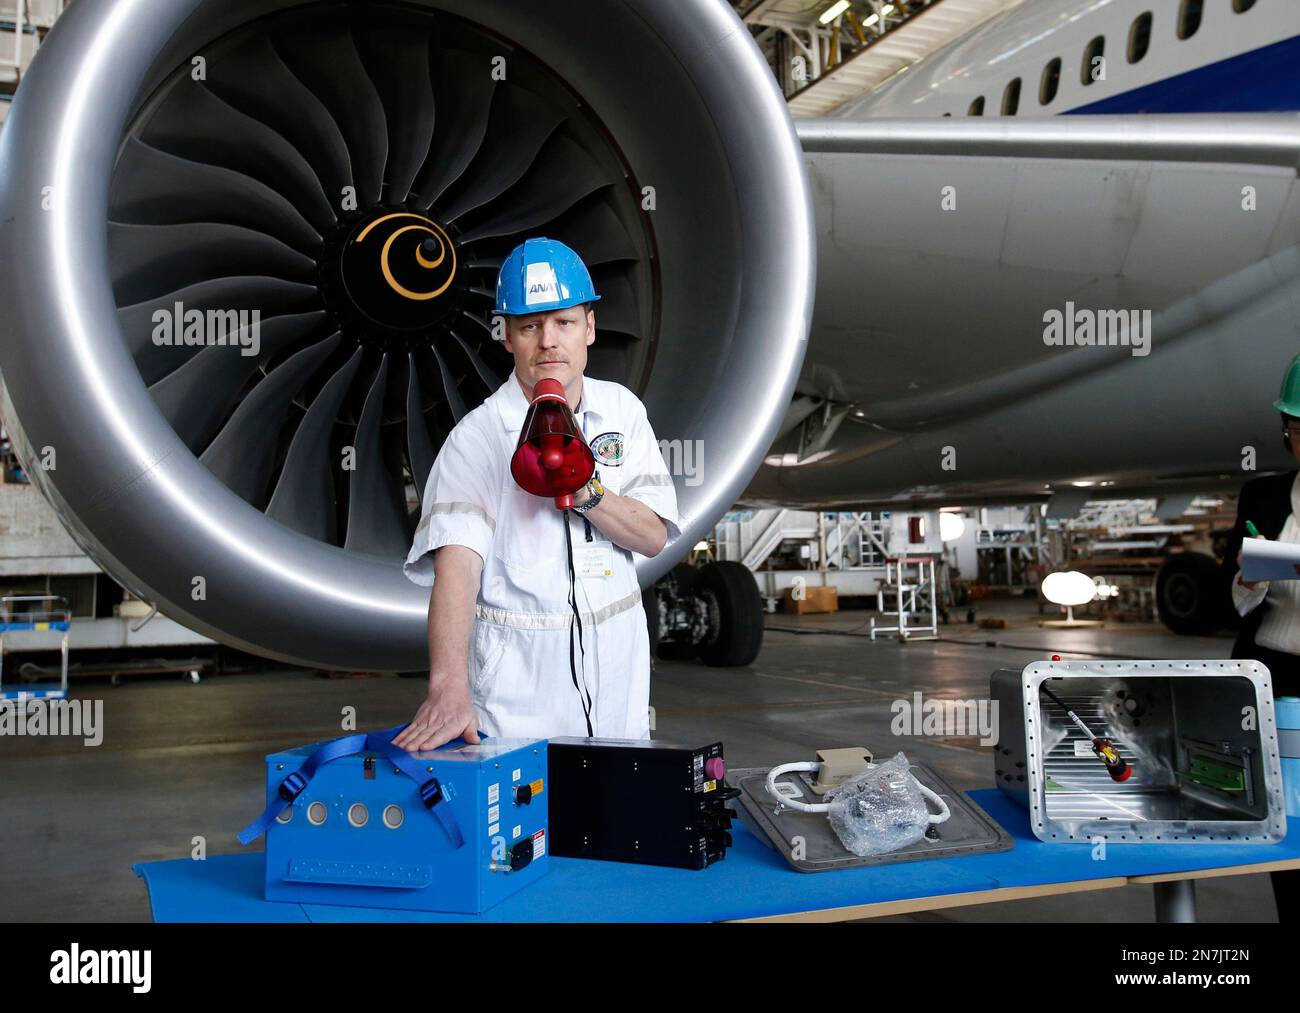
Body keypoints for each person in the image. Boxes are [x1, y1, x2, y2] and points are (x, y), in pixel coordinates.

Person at [396, 237, 680, 751]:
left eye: (564, 323)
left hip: (618, 687)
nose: (549, 342)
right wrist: (448, 688)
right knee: (527, 828)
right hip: (518, 697)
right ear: (507, 336)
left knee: (619, 824)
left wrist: (586, 491)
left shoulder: (622, 412)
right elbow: (457, 571)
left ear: (589, 327)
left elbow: (654, 537)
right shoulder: (477, 439)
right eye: (530, 326)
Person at [1225, 352, 1300, 922]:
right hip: (1272, 683)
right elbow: (1240, 601)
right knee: (1284, 817)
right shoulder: (1264, 498)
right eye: (1296, 431)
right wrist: (1250, 577)